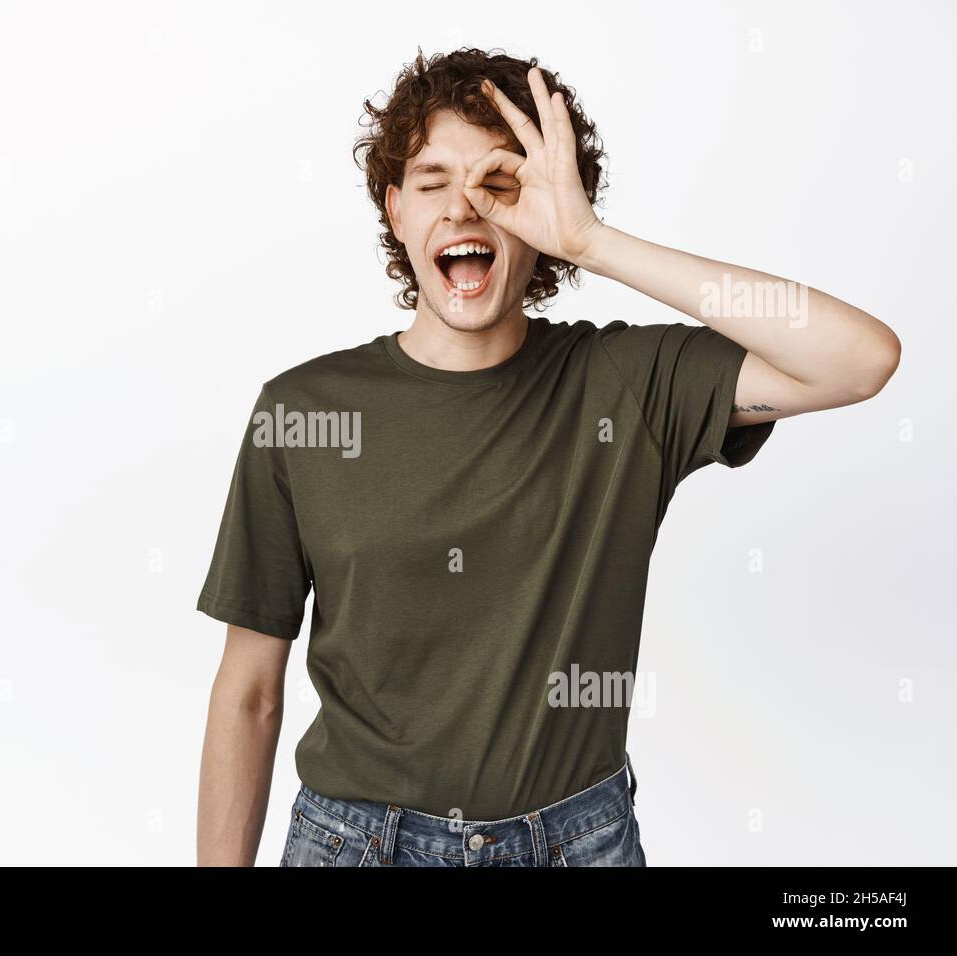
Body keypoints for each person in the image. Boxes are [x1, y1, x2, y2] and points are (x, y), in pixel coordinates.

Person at [194, 48, 901, 867]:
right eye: (431, 183)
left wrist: (594, 242)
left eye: (498, 185)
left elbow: (860, 359)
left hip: (577, 843)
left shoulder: (629, 384)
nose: (462, 208)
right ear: (394, 210)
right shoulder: (302, 412)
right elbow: (247, 695)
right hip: (355, 845)